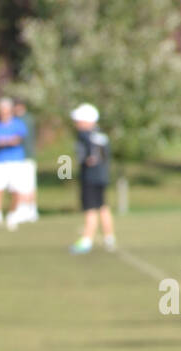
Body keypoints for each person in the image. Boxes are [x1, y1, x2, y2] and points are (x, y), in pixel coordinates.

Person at [0, 97, 36, 230]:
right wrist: (2, 143)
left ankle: (12, 216)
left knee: (16, 191)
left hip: (16, 162)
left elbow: (19, 139)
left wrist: (4, 142)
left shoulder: (18, 124)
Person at [68, 103, 115, 254]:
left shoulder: (84, 136)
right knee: (102, 206)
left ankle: (87, 240)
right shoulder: (101, 135)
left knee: (90, 209)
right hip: (102, 176)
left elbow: (89, 157)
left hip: (90, 176)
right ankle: (109, 237)